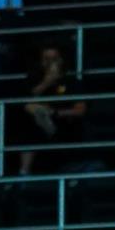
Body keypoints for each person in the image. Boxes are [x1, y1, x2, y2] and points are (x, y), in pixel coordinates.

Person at [14, 45, 87, 177]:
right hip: (36, 124)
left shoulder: (71, 82)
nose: (50, 63)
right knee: (29, 116)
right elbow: (26, 101)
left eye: (54, 59)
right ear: (41, 61)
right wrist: (47, 82)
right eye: (46, 59)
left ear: (61, 60)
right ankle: (24, 173)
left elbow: (80, 110)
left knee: (39, 117)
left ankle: (46, 120)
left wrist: (55, 113)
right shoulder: (34, 80)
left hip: (63, 122)